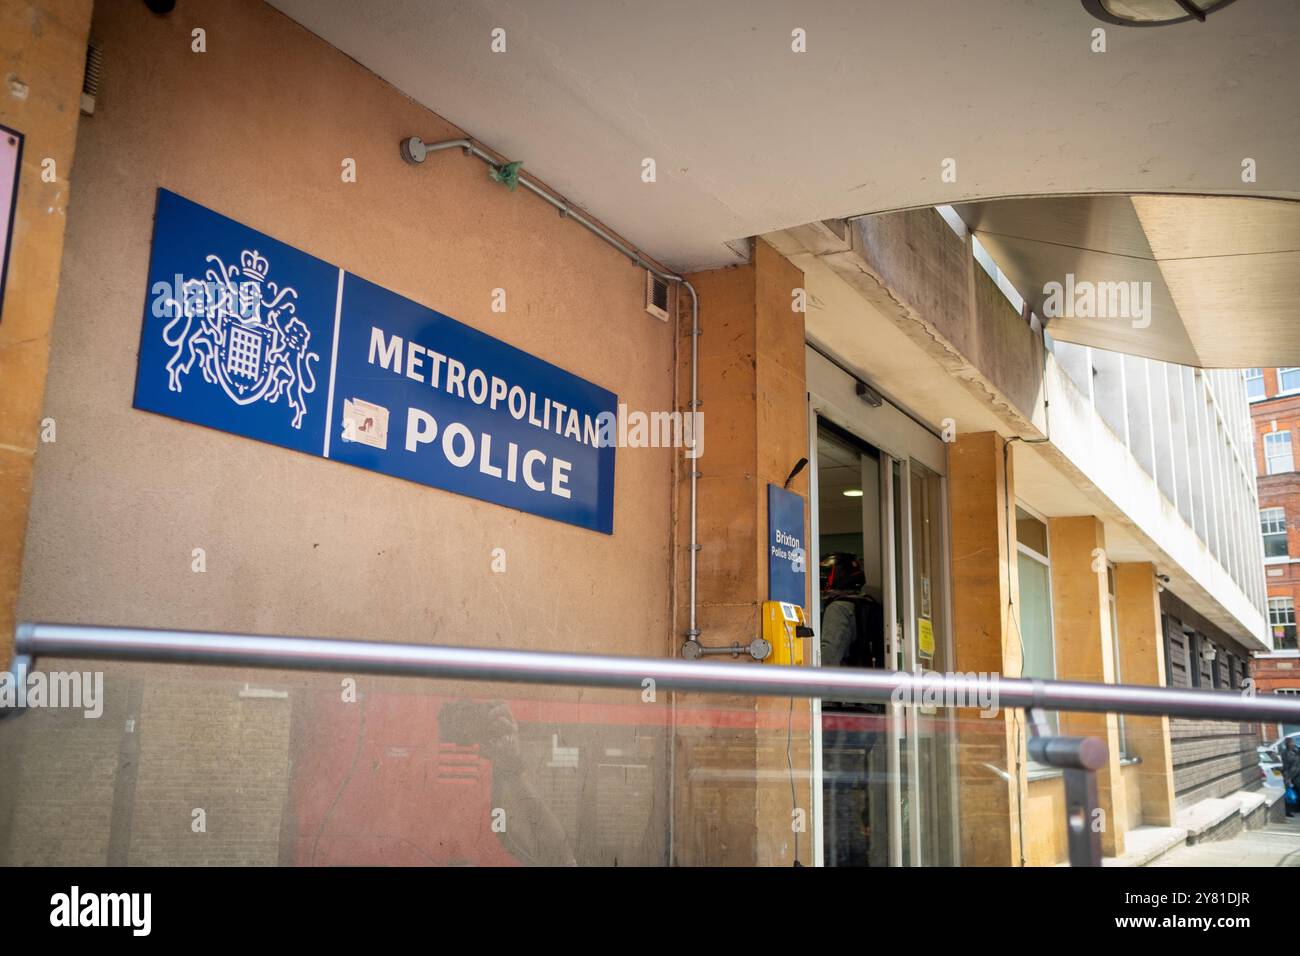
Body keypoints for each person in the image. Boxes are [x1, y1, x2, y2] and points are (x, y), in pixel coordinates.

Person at [1283, 737, 1300, 818]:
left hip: (1296, 776)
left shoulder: (1295, 751)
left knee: (1296, 792)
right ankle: (1288, 811)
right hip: (1290, 775)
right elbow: (1291, 763)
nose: (1293, 744)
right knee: (1289, 794)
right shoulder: (1286, 753)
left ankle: (1296, 809)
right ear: (1287, 744)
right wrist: (1288, 779)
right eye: (1291, 742)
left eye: (1293, 742)